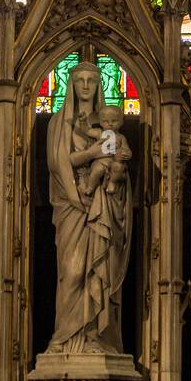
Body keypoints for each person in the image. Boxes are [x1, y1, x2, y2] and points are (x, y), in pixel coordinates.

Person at [44, 62, 132, 355]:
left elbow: (120, 162)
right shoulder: (59, 123)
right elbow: (58, 164)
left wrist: (113, 174)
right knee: (72, 271)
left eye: (91, 81)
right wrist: (91, 156)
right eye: (79, 80)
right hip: (72, 204)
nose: (85, 86)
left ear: (98, 86)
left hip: (99, 205)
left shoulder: (107, 125)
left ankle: (96, 337)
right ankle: (64, 338)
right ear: (70, 85)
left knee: (97, 270)